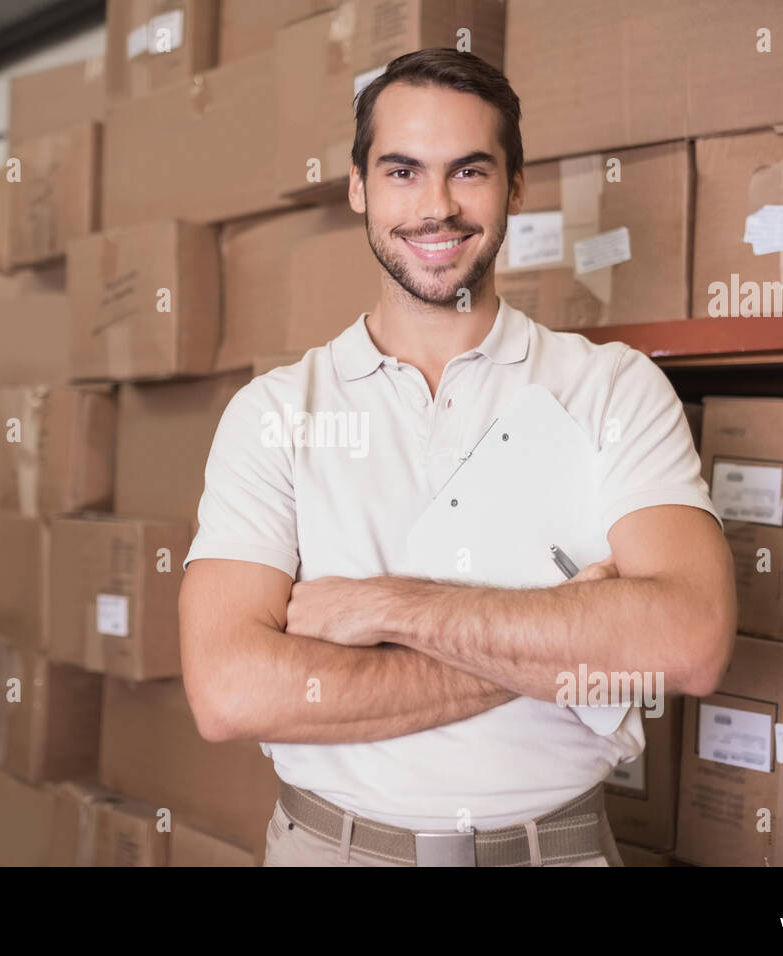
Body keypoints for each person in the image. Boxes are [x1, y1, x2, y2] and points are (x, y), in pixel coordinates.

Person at [178, 48, 736, 867]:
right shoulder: (275, 413)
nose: (435, 207)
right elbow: (228, 691)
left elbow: (690, 641)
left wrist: (387, 608)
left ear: (515, 186)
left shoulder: (612, 388)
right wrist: (559, 649)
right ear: (357, 186)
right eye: (402, 172)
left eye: (468, 171)